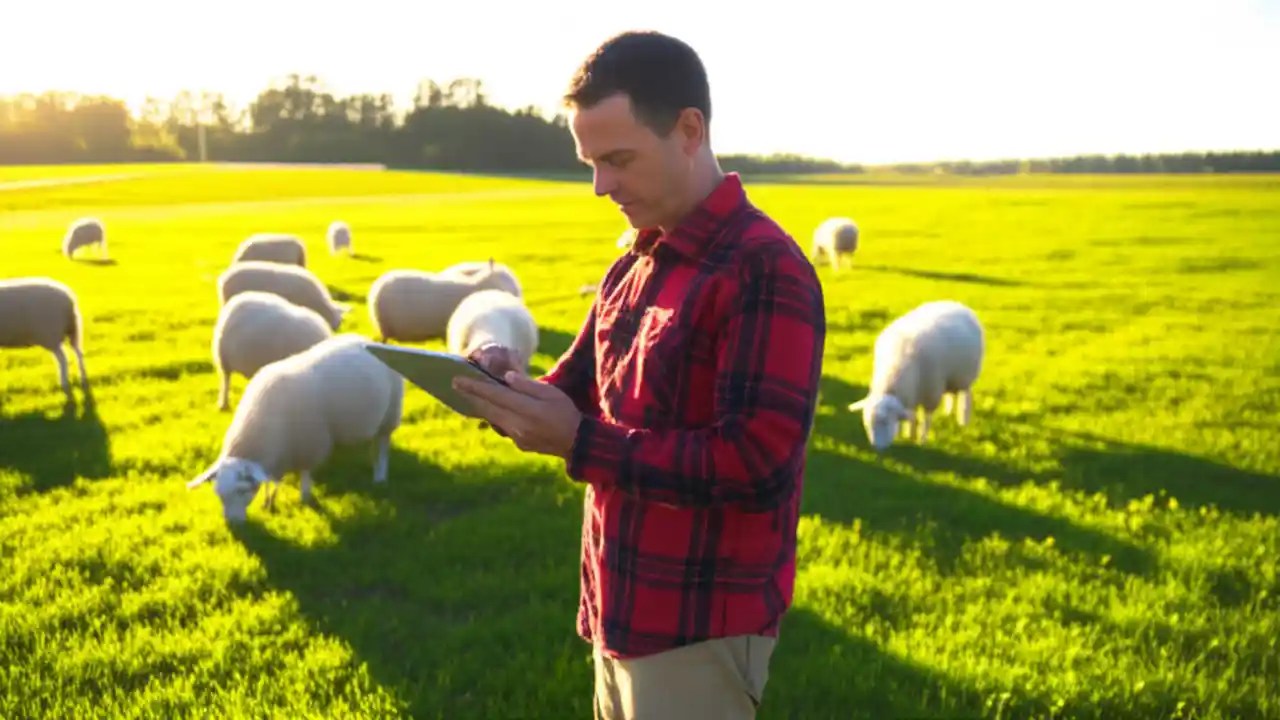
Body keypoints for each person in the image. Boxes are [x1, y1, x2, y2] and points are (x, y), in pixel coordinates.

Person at [452, 30, 827, 720]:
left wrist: (578, 441)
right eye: (590, 162)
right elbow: (575, 391)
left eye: (618, 159)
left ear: (689, 130)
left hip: (700, 626)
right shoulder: (633, 262)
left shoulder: (762, 267)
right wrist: (502, 384)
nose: (600, 186)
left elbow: (755, 462)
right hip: (616, 605)